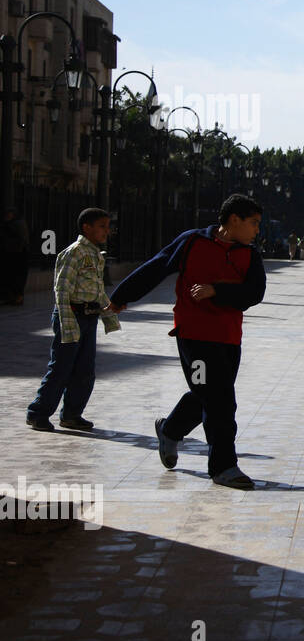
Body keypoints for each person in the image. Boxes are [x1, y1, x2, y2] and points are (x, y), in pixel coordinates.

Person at [109, 194, 267, 490]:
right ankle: (224, 467)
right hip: (194, 335)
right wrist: (121, 296)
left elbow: (254, 294)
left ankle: (169, 429)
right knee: (220, 400)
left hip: (229, 338)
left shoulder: (250, 254)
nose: (257, 230)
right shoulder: (192, 242)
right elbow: (156, 267)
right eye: (254, 223)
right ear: (234, 220)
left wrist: (216, 291)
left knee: (207, 393)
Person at [25, 208, 122, 431]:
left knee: (85, 371)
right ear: (86, 228)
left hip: (89, 318)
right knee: (61, 368)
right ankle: (37, 413)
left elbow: (95, 291)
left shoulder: (96, 254)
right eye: (102, 226)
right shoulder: (74, 253)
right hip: (71, 316)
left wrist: (109, 311)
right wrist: (67, 323)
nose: (107, 231)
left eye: (108, 227)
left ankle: (71, 414)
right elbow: (62, 289)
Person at [0, 207, 30, 305]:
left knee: (16, 278)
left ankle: (17, 297)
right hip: (13, 255)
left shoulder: (16, 224)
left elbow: (21, 240)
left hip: (17, 255)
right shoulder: (11, 224)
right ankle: (12, 297)